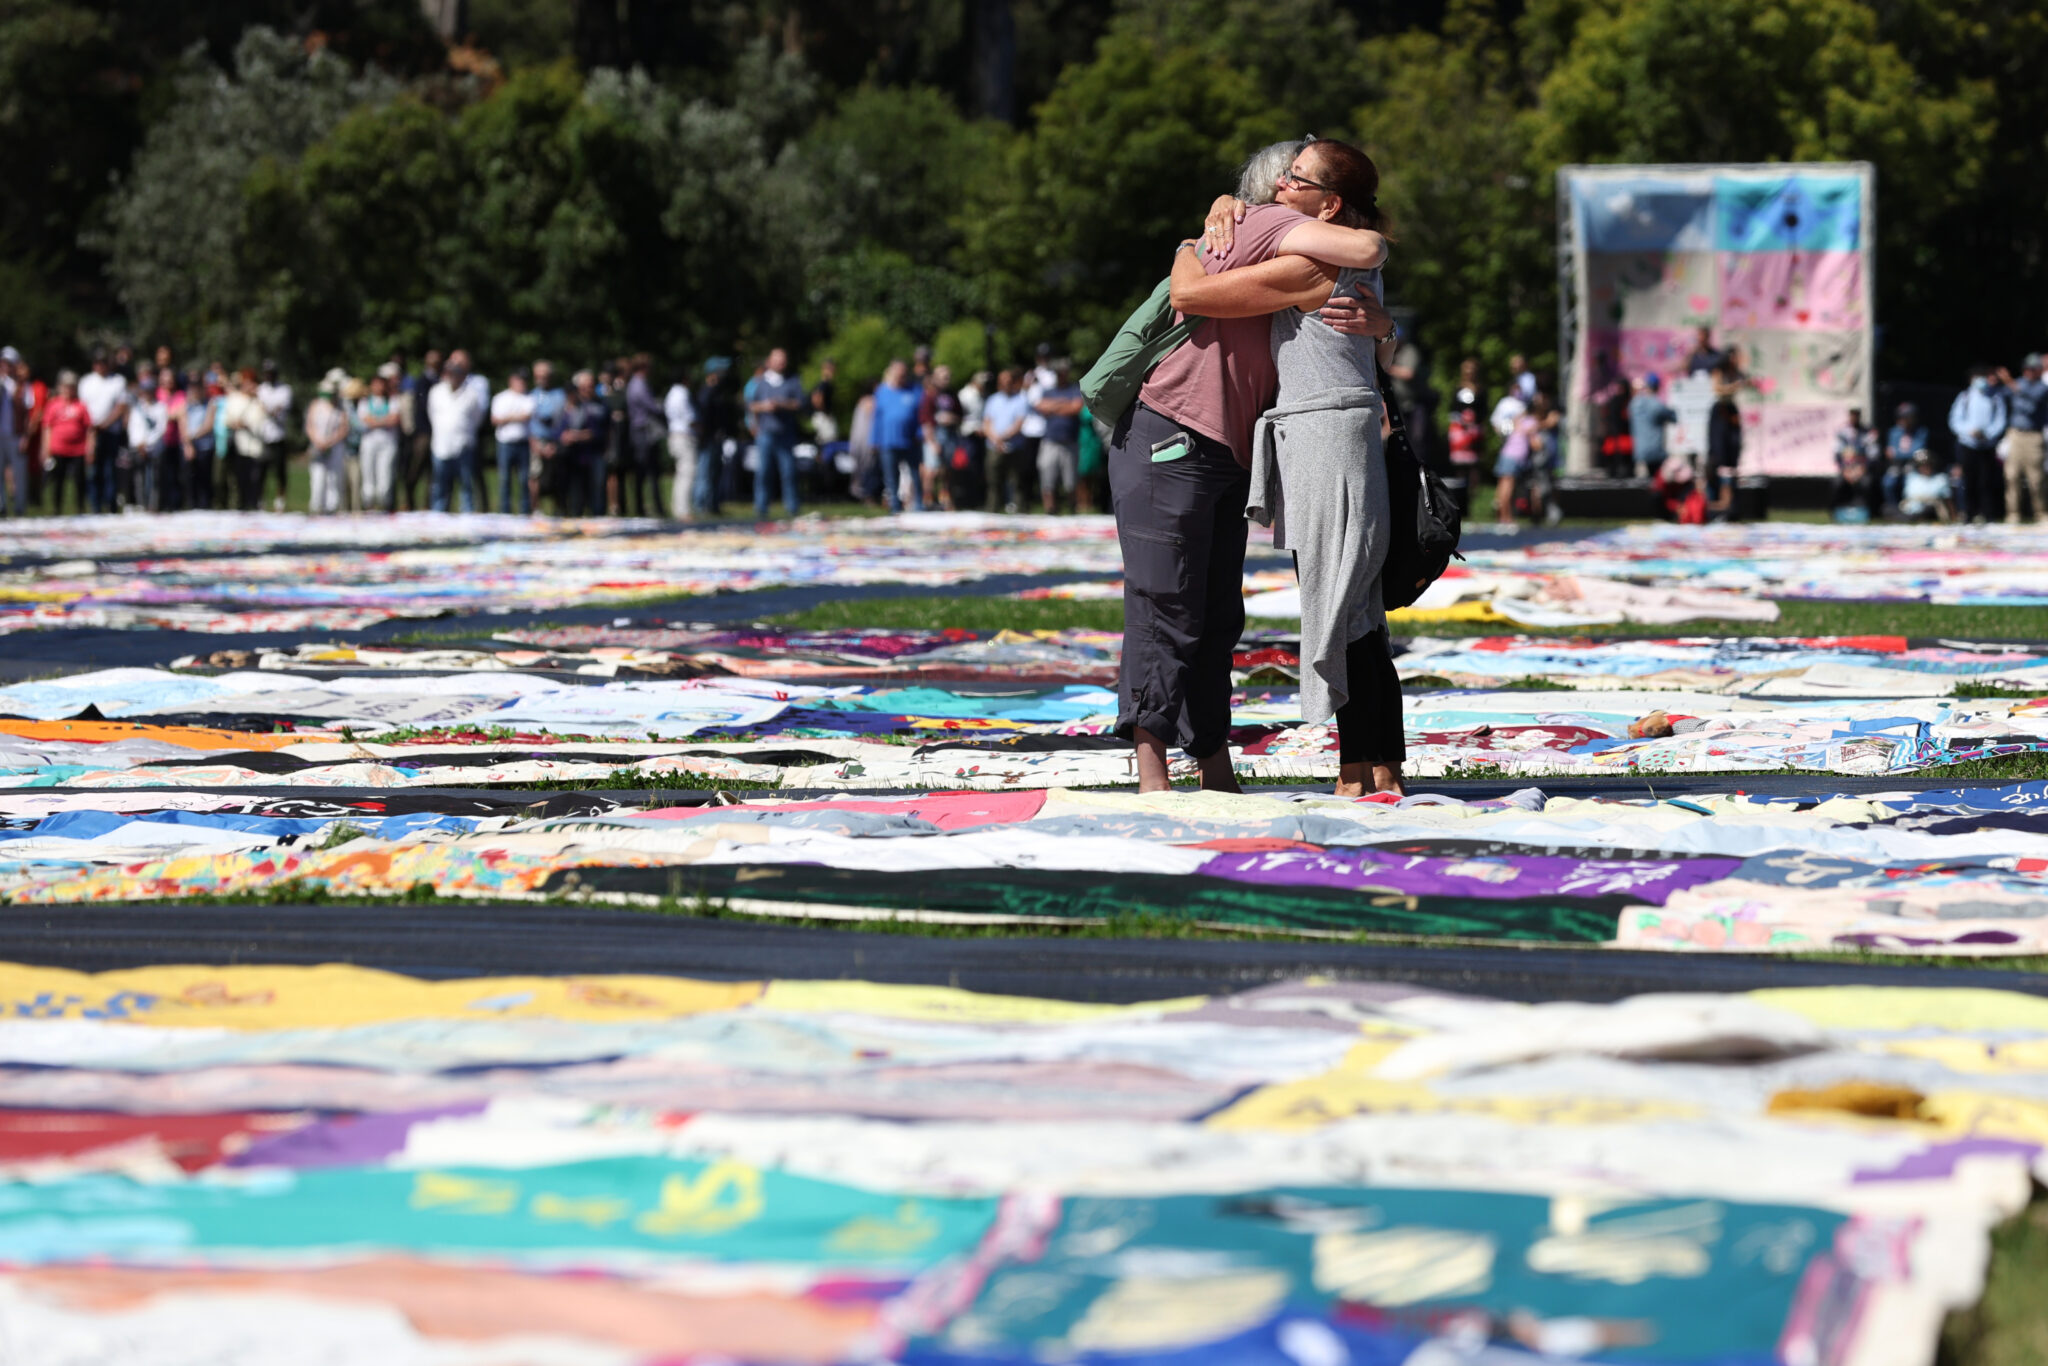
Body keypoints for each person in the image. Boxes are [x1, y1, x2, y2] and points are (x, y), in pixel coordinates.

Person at [1184, 136, 1401, 797]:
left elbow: (1194, 294)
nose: (1281, 189)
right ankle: (1368, 765)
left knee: (1342, 605)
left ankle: (1367, 769)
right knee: (1350, 603)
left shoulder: (1310, 263)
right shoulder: (1324, 247)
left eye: (1296, 182)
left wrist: (1190, 244)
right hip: (1325, 432)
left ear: (1329, 206)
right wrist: (1226, 203)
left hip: (1328, 436)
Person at [748, 346, 806, 520]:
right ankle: (761, 507)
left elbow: (800, 404)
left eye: (783, 359)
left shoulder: (792, 381)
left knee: (788, 471)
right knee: (763, 471)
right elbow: (752, 406)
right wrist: (764, 408)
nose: (781, 363)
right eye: (777, 359)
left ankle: (792, 506)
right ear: (770, 361)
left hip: (785, 434)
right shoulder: (760, 382)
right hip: (766, 433)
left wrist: (781, 405)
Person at [426, 355, 487, 513]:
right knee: (440, 485)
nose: (453, 376)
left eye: (457, 373)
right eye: (450, 373)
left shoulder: (471, 394)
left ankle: (467, 514)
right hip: (441, 445)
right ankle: (438, 514)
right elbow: (432, 414)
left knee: (466, 484)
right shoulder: (436, 392)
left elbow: (477, 418)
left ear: (463, 375)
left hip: (464, 445)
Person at [1948, 367, 2008, 524]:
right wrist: (1969, 431)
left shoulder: (1995, 397)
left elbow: (2000, 421)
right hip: (1968, 444)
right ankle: (1968, 513)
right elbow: (1955, 420)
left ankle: (1988, 514)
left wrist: (1987, 434)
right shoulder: (1965, 397)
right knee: (1968, 480)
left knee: (1986, 481)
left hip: (1987, 445)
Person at [1998, 355, 2048, 524]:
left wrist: (2010, 382)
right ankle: (2013, 513)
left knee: (2036, 478)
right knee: (2012, 475)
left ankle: (2041, 513)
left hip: (2033, 436)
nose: (2029, 372)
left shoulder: (2042, 387)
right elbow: (2000, 395)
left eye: (2033, 369)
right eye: (2027, 368)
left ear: (2038, 370)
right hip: (2015, 434)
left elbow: (2032, 401)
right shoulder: (2016, 384)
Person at [871, 359, 924, 513]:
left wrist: (919, 433)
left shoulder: (914, 390)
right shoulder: (882, 391)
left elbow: (921, 415)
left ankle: (918, 504)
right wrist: (874, 440)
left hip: (910, 440)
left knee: (915, 474)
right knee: (891, 477)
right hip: (888, 441)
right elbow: (877, 418)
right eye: (899, 374)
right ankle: (895, 506)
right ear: (891, 373)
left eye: (904, 374)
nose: (902, 377)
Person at [79, 349, 128, 515]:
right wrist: (91, 429)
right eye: (97, 362)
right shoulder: (86, 382)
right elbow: (82, 407)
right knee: (94, 471)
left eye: (103, 362)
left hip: (111, 432)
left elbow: (121, 407)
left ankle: (111, 505)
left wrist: (105, 424)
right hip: (91, 433)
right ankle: (95, 505)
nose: (100, 366)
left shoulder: (117, 381)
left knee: (110, 470)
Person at [1032, 361, 1085, 515]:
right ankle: (1050, 509)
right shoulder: (1048, 391)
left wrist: (1053, 407)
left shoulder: (1074, 390)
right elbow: (1041, 407)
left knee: (1071, 480)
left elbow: (1075, 408)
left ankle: (1072, 508)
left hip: (1070, 441)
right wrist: (1063, 404)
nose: (1061, 375)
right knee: (1047, 477)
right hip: (1050, 441)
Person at [556, 370, 610, 517]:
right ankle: (576, 513)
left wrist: (580, 435)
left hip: (596, 451)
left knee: (597, 488)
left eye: (590, 385)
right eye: (584, 386)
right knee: (577, 489)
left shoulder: (601, 404)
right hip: (576, 455)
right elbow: (560, 427)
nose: (587, 389)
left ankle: (598, 515)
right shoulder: (572, 405)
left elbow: (602, 430)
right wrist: (565, 436)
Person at [42, 371, 93, 515]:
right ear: (60, 387)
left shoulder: (81, 405)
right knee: (58, 480)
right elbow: (47, 427)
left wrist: (90, 448)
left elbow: (89, 428)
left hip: (78, 449)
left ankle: (80, 507)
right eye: (65, 386)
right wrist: (46, 448)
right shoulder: (53, 405)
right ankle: (56, 508)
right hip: (58, 449)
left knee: (79, 481)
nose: (68, 390)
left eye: (71, 386)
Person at [981, 369, 1030, 513]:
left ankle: (1019, 509)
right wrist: (995, 439)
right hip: (994, 446)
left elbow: (1019, 423)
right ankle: (992, 510)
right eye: (1002, 382)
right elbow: (987, 423)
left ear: (1013, 382)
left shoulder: (1021, 399)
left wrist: (1003, 437)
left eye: (1008, 381)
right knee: (993, 481)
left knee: (1017, 481)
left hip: (1015, 446)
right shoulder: (993, 400)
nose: (1005, 384)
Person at [693, 359, 736, 516]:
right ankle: (701, 504)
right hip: (708, 439)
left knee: (713, 472)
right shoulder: (706, 392)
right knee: (705, 472)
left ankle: (712, 504)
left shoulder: (717, 392)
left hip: (715, 438)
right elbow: (703, 418)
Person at [620, 354, 662, 519]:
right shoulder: (639, 385)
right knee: (645, 470)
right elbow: (651, 406)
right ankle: (644, 506)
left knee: (645, 470)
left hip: (641, 430)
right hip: (643, 430)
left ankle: (643, 505)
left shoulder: (635, 384)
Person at [491, 368, 536, 515]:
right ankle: (505, 512)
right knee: (505, 480)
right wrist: (516, 417)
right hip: (505, 443)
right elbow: (495, 420)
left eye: (524, 380)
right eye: (519, 380)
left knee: (524, 480)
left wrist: (507, 418)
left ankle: (525, 512)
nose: (522, 383)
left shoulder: (529, 397)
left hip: (523, 443)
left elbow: (527, 416)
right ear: (511, 380)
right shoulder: (500, 398)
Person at [398, 349, 439, 512]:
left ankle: (428, 504)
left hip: (438, 432)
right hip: (424, 432)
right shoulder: (422, 381)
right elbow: (422, 407)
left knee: (432, 473)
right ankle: (408, 501)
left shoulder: (441, 380)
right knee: (416, 469)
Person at [357, 370, 401, 512]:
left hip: (387, 443)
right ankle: (369, 504)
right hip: (369, 442)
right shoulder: (364, 402)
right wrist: (384, 421)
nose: (378, 388)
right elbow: (365, 420)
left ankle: (384, 504)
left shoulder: (392, 400)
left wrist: (375, 421)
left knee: (385, 475)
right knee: (368, 474)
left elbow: (394, 419)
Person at [925, 364, 965, 512]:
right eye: (943, 377)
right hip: (935, 434)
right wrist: (932, 441)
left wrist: (952, 418)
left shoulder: (953, 395)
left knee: (947, 470)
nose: (946, 380)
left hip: (950, 435)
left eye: (948, 377)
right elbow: (925, 420)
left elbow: (961, 416)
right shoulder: (930, 395)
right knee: (932, 470)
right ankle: (928, 501)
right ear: (935, 378)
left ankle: (945, 500)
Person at [255, 360, 293, 513]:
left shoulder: (284, 389)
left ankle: (280, 502)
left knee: (279, 472)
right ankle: (260, 501)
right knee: (260, 472)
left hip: (278, 436)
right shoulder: (261, 389)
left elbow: (278, 409)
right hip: (263, 436)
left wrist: (267, 408)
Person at [663, 363, 698, 520]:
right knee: (687, 473)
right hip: (684, 436)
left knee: (681, 473)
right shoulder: (683, 393)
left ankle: (679, 507)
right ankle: (682, 510)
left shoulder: (670, 394)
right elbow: (690, 417)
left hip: (674, 435)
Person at [1829, 407, 1877, 520]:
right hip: (1847, 470)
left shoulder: (1868, 433)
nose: (1854, 418)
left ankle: (1869, 512)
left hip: (1862, 469)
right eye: (1852, 415)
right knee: (1836, 483)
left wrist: (1863, 469)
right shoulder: (1842, 433)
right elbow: (1837, 455)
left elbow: (1873, 455)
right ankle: (1834, 513)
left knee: (1867, 483)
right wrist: (1845, 471)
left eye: (1856, 415)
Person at [1627, 374, 1677, 480]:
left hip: (1639, 449)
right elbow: (1674, 417)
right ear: (1657, 387)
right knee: (1656, 480)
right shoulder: (1656, 405)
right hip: (1655, 449)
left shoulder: (1634, 403)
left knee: (1644, 481)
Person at [1882, 403, 1927, 516]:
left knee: (1910, 482)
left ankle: (1910, 510)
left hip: (1912, 465)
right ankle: (1893, 509)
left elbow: (1917, 452)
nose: (1904, 420)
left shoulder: (1921, 432)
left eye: (1907, 417)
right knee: (1888, 482)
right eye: (1901, 417)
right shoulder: (1894, 432)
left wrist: (1898, 453)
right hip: (1896, 465)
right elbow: (1889, 452)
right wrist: (1900, 454)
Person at [182, 371, 217, 512]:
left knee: (205, 478)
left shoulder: (210, 403)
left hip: (205, 446)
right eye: (192, 387)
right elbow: (183, 424)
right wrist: (188, 443)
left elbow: (208, 425)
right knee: (190, 479)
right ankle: (191, 505)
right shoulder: (186, 405)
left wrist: (193, 436)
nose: (195, 390)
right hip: (190, 446)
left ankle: (205, 506)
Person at [1899, 449, 1954, 522]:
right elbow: (1907, 497)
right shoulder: (1911, 478)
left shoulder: (1941, 478)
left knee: (1929, 509)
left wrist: (1952, 515)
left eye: (1927, 464)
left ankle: (1913, 518)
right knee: (1887, 508)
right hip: (1912, 509)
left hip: (1929, 509)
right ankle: (1910, 517)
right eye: (1921, 465)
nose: (1924, 467)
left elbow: (1948, 500)